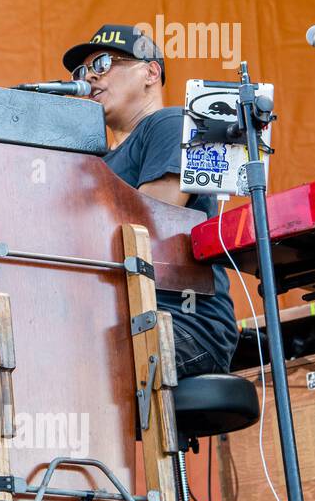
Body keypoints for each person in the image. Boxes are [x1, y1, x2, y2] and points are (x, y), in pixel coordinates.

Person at [61, 24, 238, 377]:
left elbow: (147, 224)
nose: (90, 78)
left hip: (183, 324)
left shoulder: (170, 123)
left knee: (69, 368)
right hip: (121, 320)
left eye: (104, 64)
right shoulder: (93, 162)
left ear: (150, 71)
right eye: (83, 71)